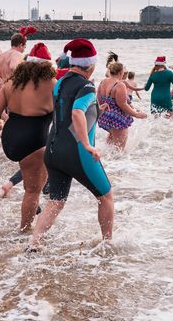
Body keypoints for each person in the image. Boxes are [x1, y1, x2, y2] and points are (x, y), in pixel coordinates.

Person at [29, 39, 114, 249]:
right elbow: (76, 112)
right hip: (76, 152)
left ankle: (34, 242)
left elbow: (66, 112)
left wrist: (97, 110)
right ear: (91, 65)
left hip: (53, 150)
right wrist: (87, 144)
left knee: (56, 201)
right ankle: (107, 244)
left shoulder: (61, 81)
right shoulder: (87, 85)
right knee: (105, 196)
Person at [0, 42, 56, 231]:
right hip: (35, 139)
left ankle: (28, 221)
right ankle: (24, 230)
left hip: (11, 139)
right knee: (33, 191)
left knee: (30, 182)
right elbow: (64, 114)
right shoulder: (51, 84)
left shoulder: (11, 83)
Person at [97, 61, 147, 149]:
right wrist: (137, 114)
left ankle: (104, 159)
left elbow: (99, 98)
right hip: (117, 119)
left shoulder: (103, 82)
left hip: (104, 117)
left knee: (110, 143)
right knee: (119, 151)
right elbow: (122, 105)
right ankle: (115, 162)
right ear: (120, 72)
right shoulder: (120, 85)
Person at [0, 27, 34, 91]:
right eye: (24, 47)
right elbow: (13, 67)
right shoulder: (17, 54)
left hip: (4, 87)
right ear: (20, 45)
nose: (24, 50)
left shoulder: (2, 55)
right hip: (13, 87)